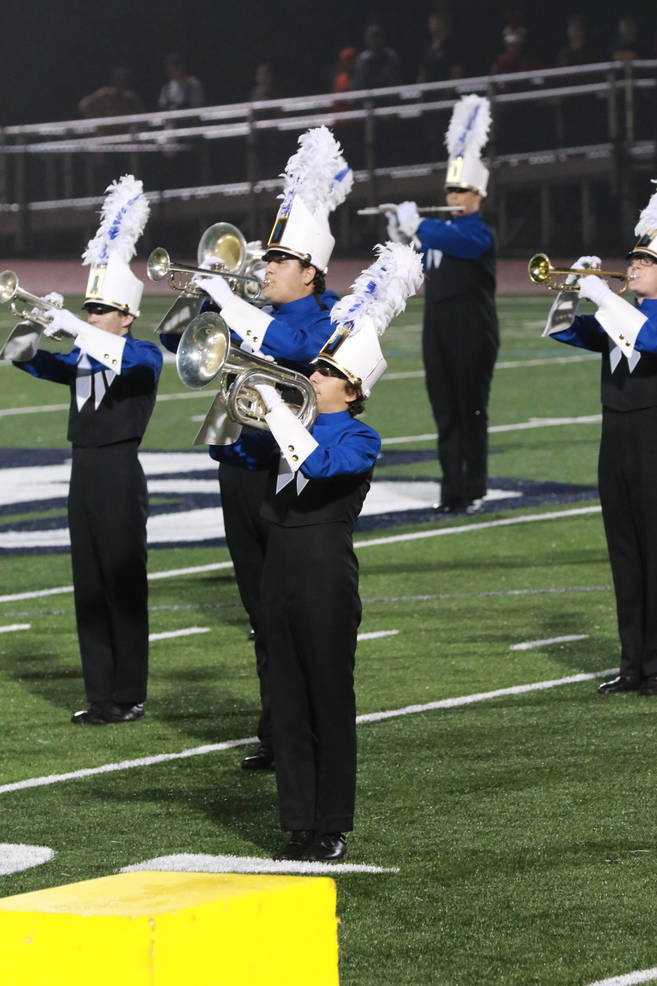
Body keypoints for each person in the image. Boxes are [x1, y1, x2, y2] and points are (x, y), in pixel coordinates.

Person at [209, 242, 423, 861]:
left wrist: (277, 411)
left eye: (326, 373)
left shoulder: (360, 434)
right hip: (279, 568)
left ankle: (330, 823)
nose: (314, 376)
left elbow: (322, 466)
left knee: (329, 698)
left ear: (351, 390)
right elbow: (235, 447)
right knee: (291, 698)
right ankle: (296, 823)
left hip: (326, 576)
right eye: (317, 369)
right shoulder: (291, 420)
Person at [174, 127, 353, 770]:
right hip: (237, 467)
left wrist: (229, 300)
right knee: (259, 612)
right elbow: (186, 348)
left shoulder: (326, 316)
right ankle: (276, 730)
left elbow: (292, 349)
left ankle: (296, 730)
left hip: (284, 477)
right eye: (267, 260)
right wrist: (207, 295)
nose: (265, 268)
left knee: (287, 612)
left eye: (279, 261)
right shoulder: (255, 305)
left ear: (310, 270)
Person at [5, 176, 162, 724]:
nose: (92, 315)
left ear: (126, 314)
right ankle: (100, 696)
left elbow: (128, 363)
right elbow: (26, 359)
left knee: (123, 581)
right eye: (89, 307)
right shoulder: (85, 353)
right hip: (84, 471)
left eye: (101, 309)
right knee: (89, 583)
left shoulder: (143, 355)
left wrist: (72, 326)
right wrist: (31, 320)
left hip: (120, 472)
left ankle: (129, 694)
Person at [543, 183, 657, 697]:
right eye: (631, 260)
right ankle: (633, 665)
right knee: (625, 556)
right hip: (616, 441)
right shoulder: (618, 315)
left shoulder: (634, 317)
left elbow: (647, 337)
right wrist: (570, 289)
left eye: (643, 262)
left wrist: (606, 296)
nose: (631, 267)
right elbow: (563, 332)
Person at [384, 94, 498, 515]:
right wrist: (402, 236)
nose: (452, 194)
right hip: (438, 328)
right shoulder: (438, 232)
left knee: (470, 408)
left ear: (477, 195)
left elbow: (459, 242)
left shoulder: (478, 233)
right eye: (449, 187)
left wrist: (420, 225)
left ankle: (473, 487)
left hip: (472, 330)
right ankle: (451, 491)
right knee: (444, 409)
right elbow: (416, 261)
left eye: (461, 189)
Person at [79, 66, 145, 124]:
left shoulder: (130, 98)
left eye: (125, 80)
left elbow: (143, 117)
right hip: (107, 135)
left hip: (125, 134)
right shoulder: (105, 94)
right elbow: (83, 104)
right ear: (115, 80)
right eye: (120, 80)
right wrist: (99, 121)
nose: (123, 83)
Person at [350, 23, 401, 91]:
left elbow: (393, 81)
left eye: (377, 36)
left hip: (387, 93)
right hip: (367, 95)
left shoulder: (391, 56)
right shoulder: (362, 58)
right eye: (371, 37)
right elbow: (358, 83)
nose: (374, 40)